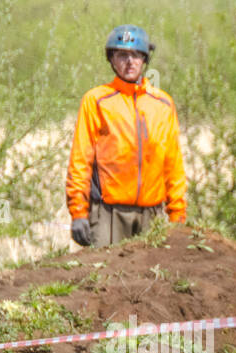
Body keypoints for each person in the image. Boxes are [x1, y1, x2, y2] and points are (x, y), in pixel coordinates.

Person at [66, 25, 187, 247]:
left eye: (135, 55)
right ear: (111, 59)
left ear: (144, 59)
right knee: (104, 278)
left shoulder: (163, 104)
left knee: (155, 279)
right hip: (108, 213)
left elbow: (173, 164)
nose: (129, 61)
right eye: (122, 55)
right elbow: (80, 160)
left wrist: (177, 214)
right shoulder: (96, 101)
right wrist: (78, 212)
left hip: (152, 215)